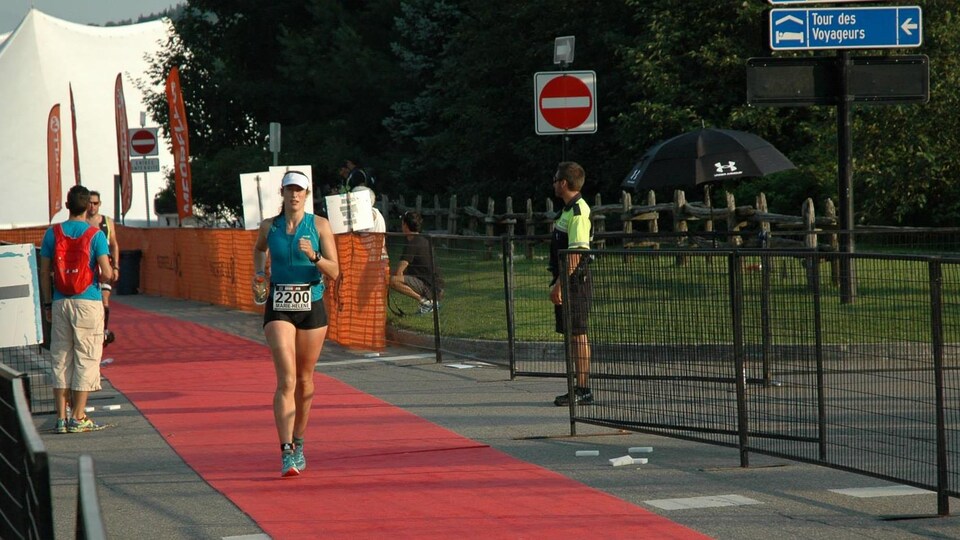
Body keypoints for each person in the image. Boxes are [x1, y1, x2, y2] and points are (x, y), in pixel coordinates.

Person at [253, 170, 339, 477]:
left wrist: (314, 255)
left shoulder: (319, 225)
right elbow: (259, 249)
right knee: (287, 379)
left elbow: (335, 271)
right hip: (279, 304)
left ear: (306, 193)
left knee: (305, 380)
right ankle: (286, 451)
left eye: (299, 190)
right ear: (282, 192)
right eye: (289, 190)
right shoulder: (270, 226)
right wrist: (260, 274)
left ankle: (299, 442)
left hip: (311, 304)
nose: (294, 195)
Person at [39, 185, 113, 433]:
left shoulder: (52, 234)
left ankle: (60, 418)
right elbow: (107, 272)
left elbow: (44, 271)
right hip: (88, 300)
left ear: (67, 206)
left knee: (60, 358)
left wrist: (48, 303)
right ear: (88, 207)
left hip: (60, 301)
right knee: (86, 357)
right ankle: (78, 417)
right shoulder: (95, 235)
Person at [549, 162, 594, 406]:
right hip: (569, 281)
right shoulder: (567, 210)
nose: (554, 184)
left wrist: (559, 285)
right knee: (573, 333)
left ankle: (583, 389)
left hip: (575, 282)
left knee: (579, 335)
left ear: (564, 182)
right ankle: (577, 386)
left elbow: (576, 253)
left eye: (556, 179)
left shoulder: (578, 211)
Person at [389, 211, 444, 314]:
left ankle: (426, 302)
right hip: (436, 287)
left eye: (402, 223)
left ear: (405, 225)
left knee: (392, 280)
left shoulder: (412, 244)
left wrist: (385, 275)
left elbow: (399, 273)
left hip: (430, 288)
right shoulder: (421, 240)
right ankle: (429, 302)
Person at [86, 190, 120, 346]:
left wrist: (116, 267)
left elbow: (113, 244)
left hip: (104, 266)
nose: (92, 206)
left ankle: (103, 332)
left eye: (95, 203)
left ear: (99, 204)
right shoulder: (82, 221)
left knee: (104, 300)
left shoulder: (107, 221)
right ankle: (91, 330)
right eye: (90, 203)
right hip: (87, 268)